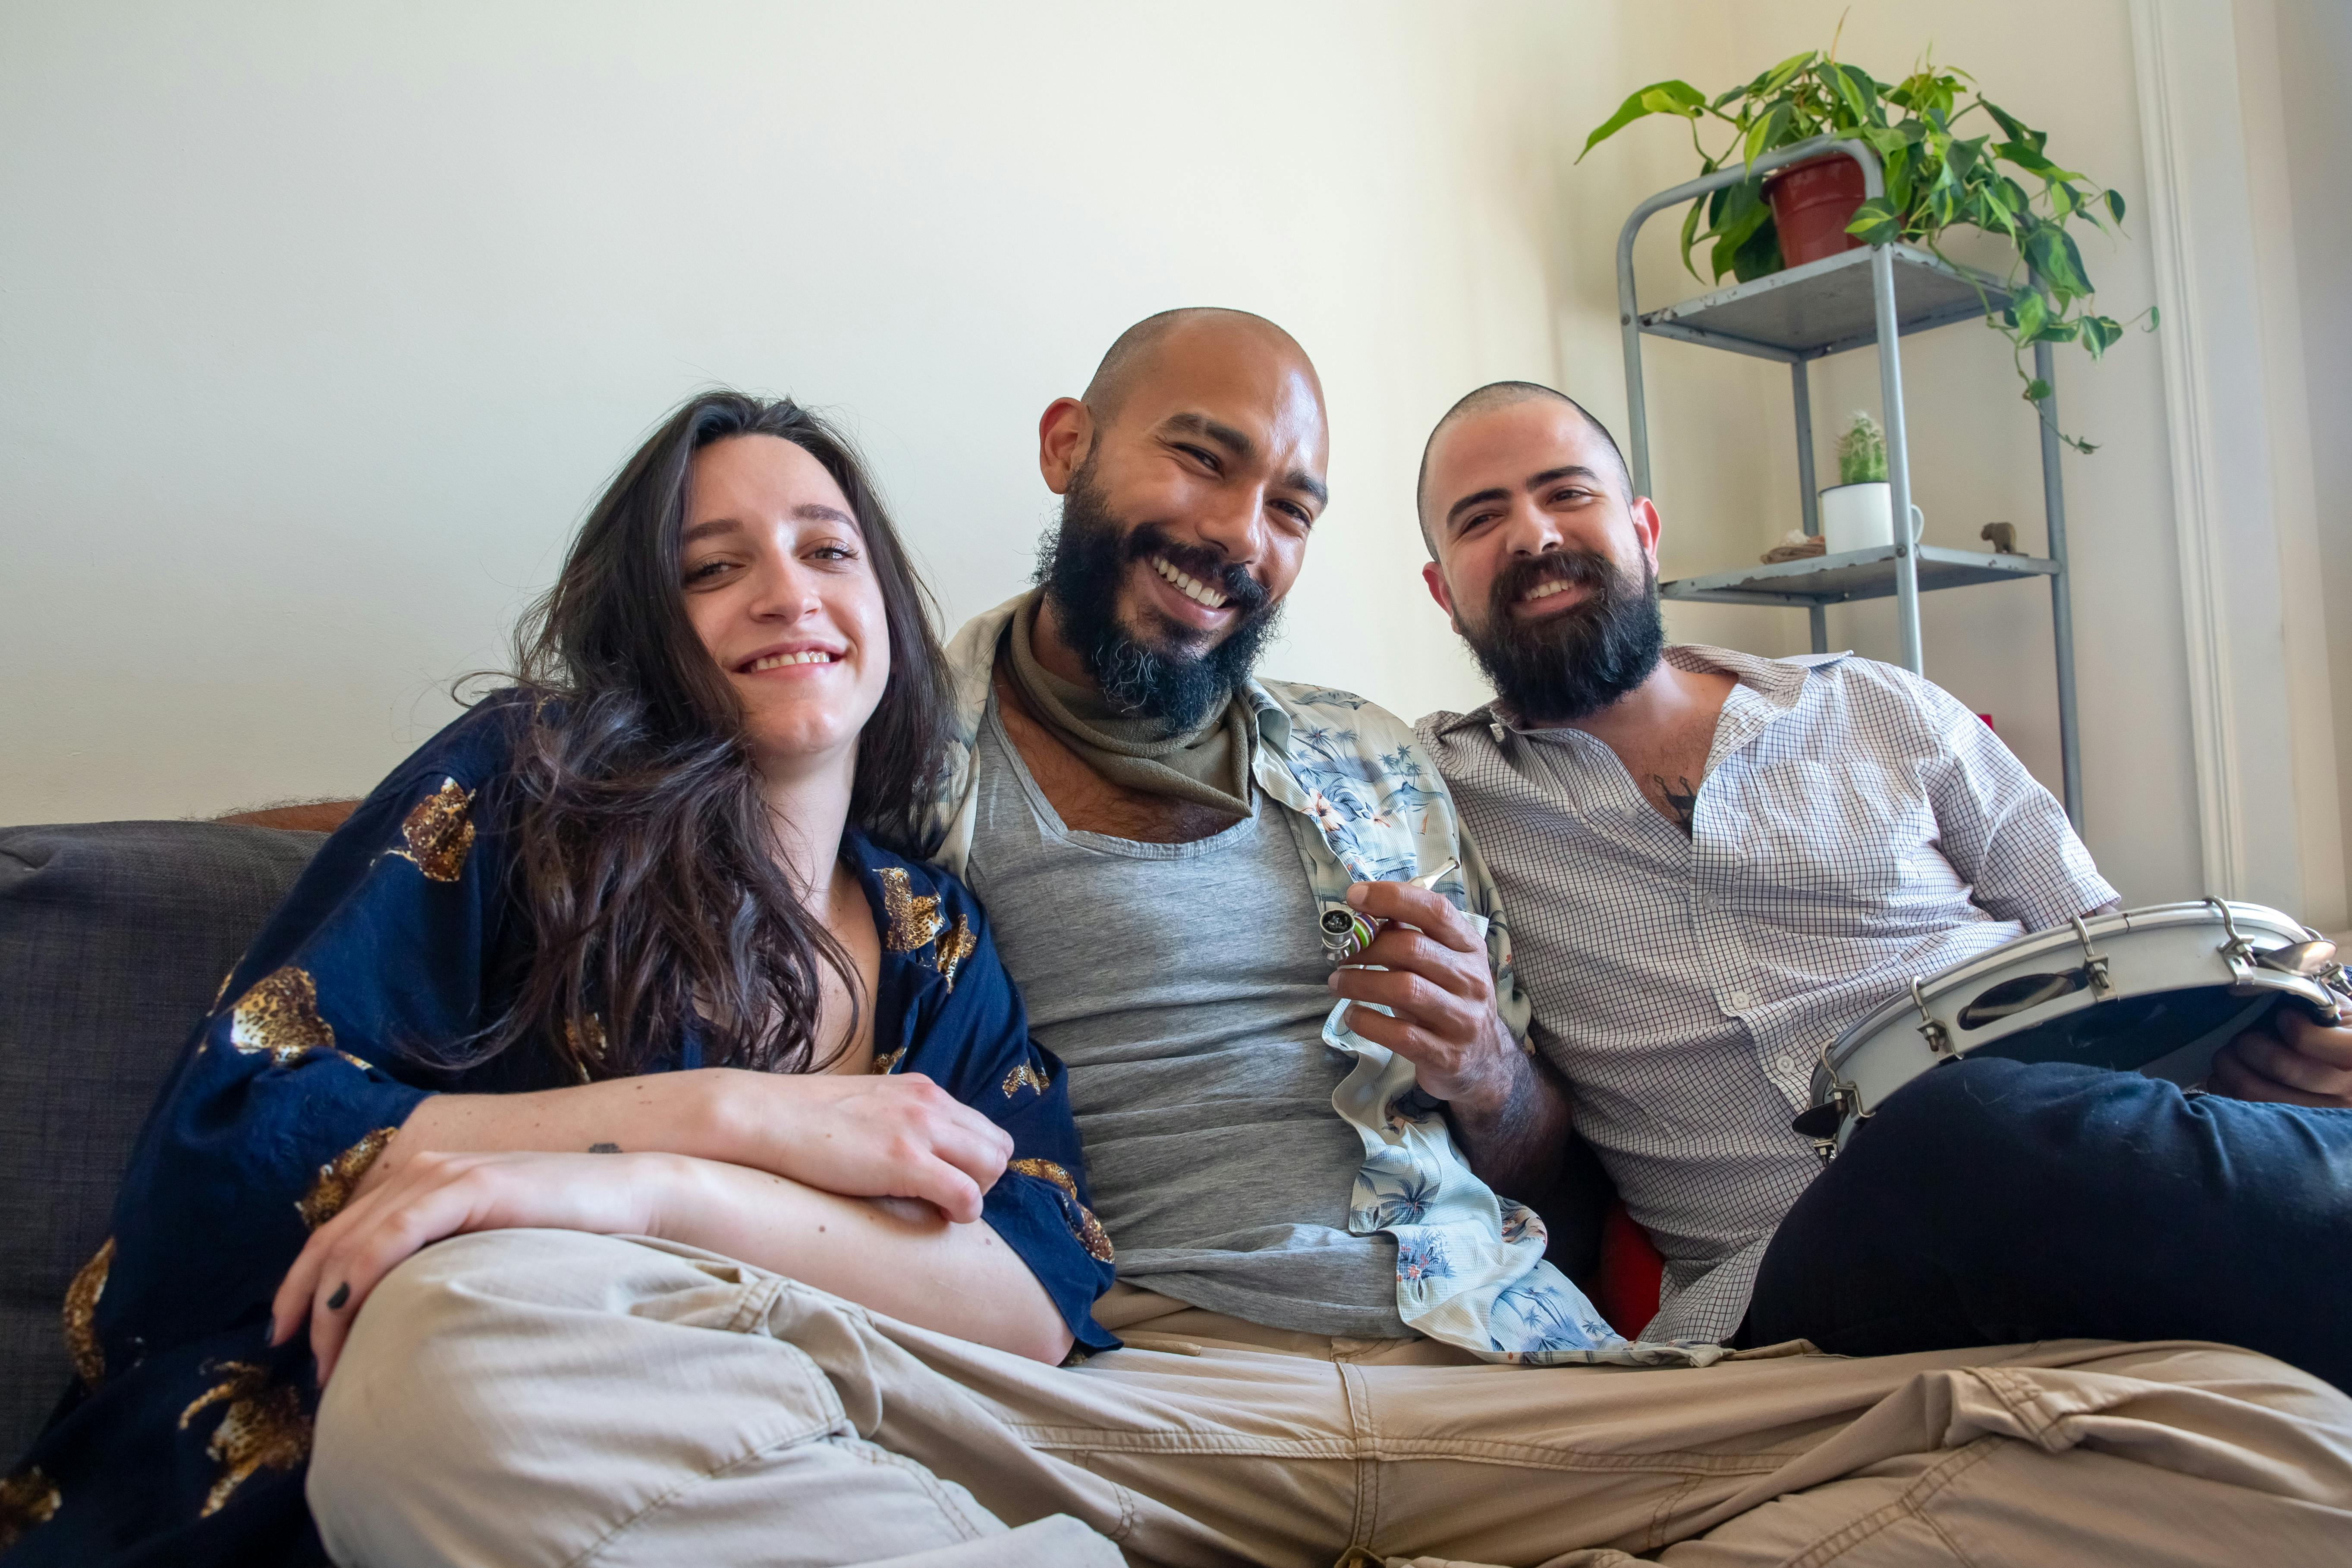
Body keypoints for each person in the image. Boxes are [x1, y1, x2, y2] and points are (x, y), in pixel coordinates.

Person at [297, 317, 2352, 1567]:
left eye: (1290, 499)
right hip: (1124, 1397)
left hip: (1534, 1391)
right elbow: (760, 1035)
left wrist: (1488, 1077)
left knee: (2260, 1445)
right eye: (1200, 454)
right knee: (460, 1382)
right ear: (1063, 453)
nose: (1236, 526)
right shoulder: (879, 750)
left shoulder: (1398, 763)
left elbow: (1556, 1155)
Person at [0, 392, 1118, 1568]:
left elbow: (1034, 1280)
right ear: (647, 629)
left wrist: (674, 1192)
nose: (788, 591)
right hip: (447, 1425)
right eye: (711, 568)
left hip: (814, 1438)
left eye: (827, 549)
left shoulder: (933, 932)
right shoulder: (528, 791)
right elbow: (242, 1127)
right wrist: (735, 1114)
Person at [1412, 378, 2352, 1386]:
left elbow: (2116, 955)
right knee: (1944, 1127)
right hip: (1792, 1275)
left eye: (1566, 493)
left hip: (2065, 1166)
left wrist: (2303, 1047)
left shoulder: (1877, 707)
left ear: (1642, 529)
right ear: (1440, 591)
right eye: (1481, 518)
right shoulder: (1421, 793)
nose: (1531, 534)